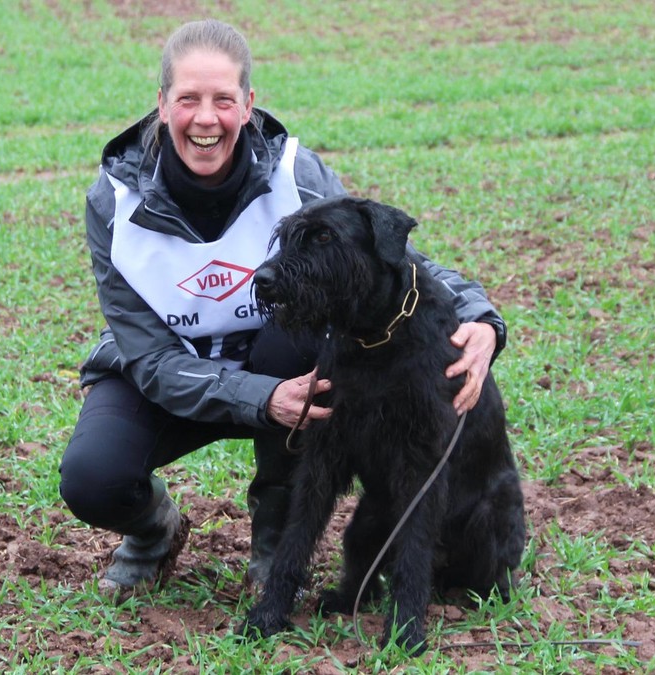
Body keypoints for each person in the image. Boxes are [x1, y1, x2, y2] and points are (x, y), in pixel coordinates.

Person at [59, 19, 507, 595]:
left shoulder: (297, 174)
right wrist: (261, 397)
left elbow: (395, 262)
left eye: (224, 100)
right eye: (188, 99)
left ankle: (274, 545)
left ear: (248, 106)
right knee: (92, 478)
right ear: (162, 104)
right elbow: (146, 356)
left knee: (298, 339)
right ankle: (152, 531)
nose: (205, 118)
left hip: (283, 365)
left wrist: (481, 317)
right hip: (171, 375)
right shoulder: (113, 201)